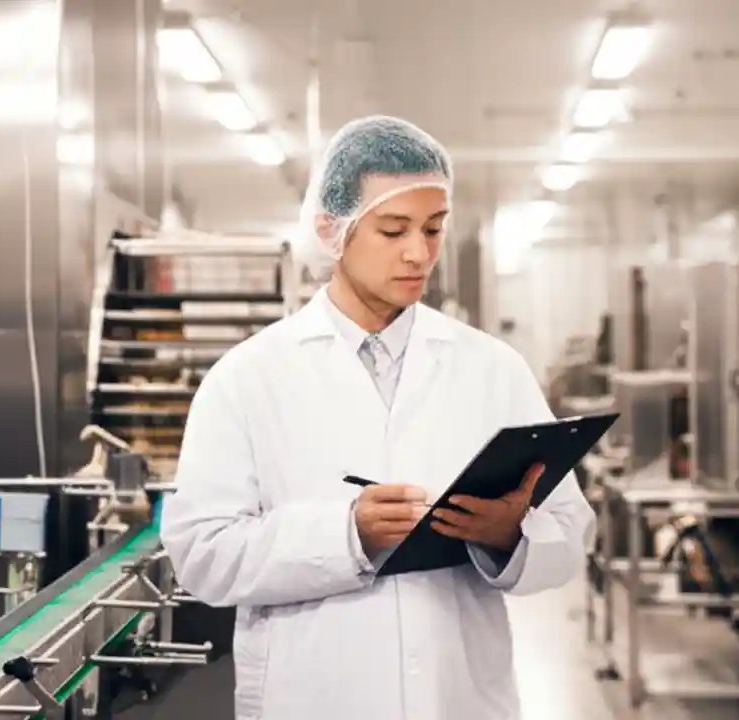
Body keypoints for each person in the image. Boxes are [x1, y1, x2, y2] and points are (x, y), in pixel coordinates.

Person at [160, 115, 596, 720]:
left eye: (433, 229)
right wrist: (344, 534)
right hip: (313, 698)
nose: (419, 253)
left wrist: (508, 536)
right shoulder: (247, 378)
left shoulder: (492, 368)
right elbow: (201, 554)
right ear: (331, 230)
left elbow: (572, 530)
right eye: (393, 230)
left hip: (459, 698)